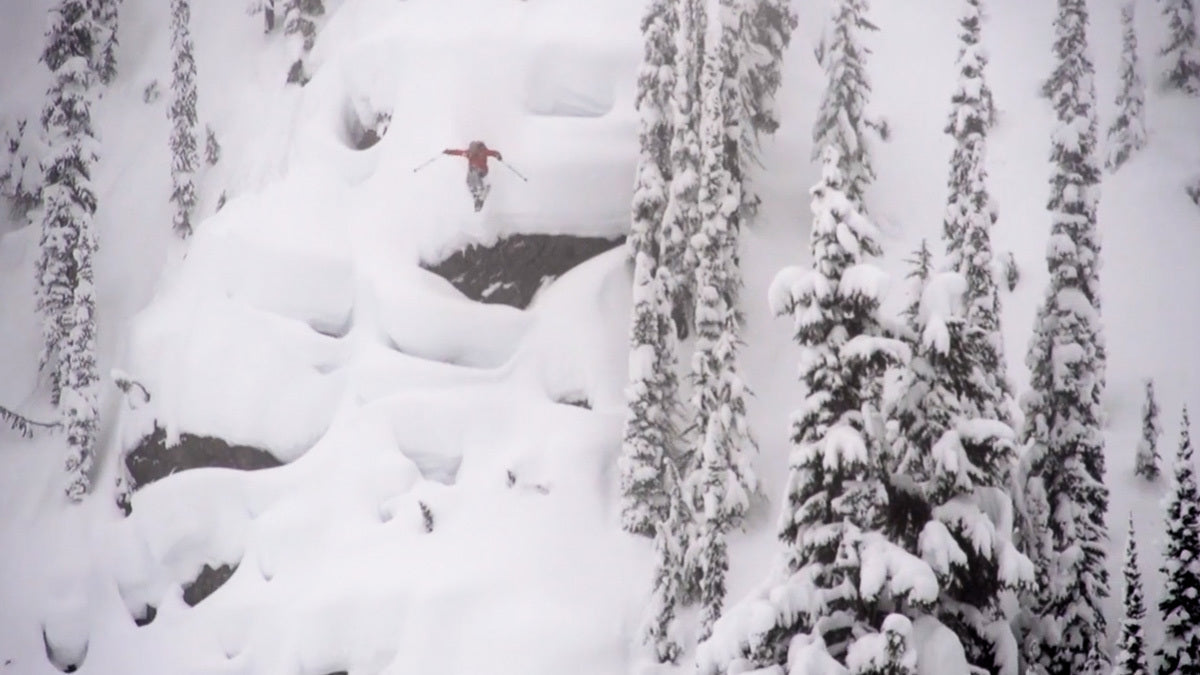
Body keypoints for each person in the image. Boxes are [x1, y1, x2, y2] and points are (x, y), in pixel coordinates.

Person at [442, 141, 504, 211]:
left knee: (478, 176)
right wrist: (448, 152)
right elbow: (458, 152)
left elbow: (494, 153)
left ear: (477, 147)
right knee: (471, 181)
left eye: (473, 149)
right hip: (475, 172)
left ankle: (479, 193)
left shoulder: (482, 151)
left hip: (482, 171)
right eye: (471, 149)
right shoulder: (469, 153)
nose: (472, 151)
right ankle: (476, 196)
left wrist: (498, 156)